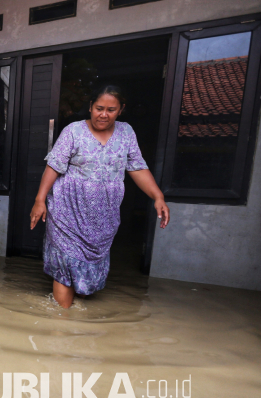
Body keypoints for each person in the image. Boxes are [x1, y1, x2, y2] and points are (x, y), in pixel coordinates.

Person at [29, 85, 170, 309]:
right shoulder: (73, 131)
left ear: (121, 110)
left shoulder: (126, 133)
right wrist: (40, 200)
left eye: (111, 110)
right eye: (99, 108)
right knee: (66, 267)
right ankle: (59, 326)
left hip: (103, 217)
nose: (103, 114)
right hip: (68, 212)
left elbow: (136, 167)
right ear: (91, 107)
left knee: (87, 275)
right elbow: (54, 166)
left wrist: (157, 196)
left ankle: (74, 322)